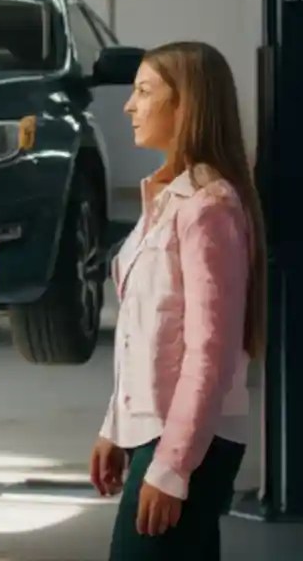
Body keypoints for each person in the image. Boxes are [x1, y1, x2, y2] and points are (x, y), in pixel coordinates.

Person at [90, 41, 264, 560]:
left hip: (190, 440)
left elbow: (210, 352)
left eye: (144, 91)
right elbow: (143, 336)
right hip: (158, 430)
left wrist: (172, 467)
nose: (129, 105)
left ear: (185, 106)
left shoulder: (209, 208)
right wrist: (116, 426)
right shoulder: (166, 198)